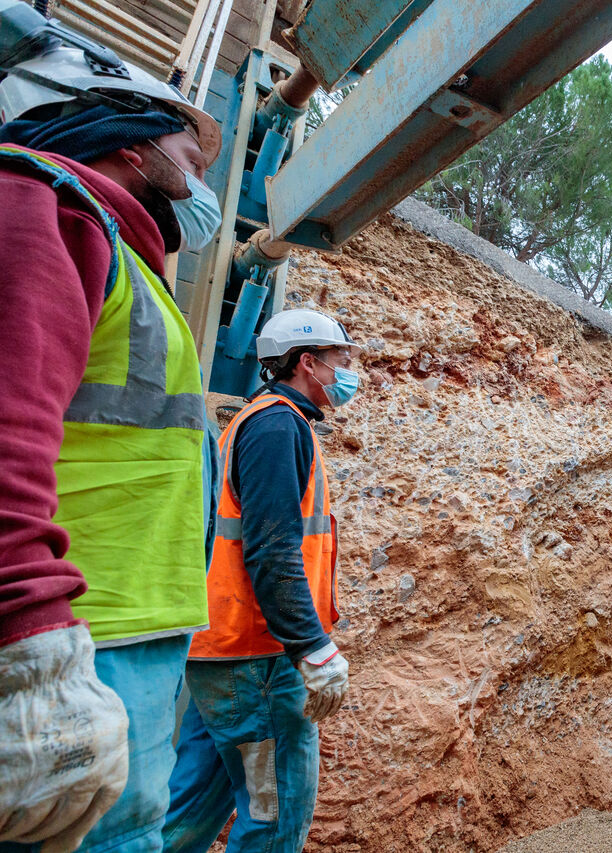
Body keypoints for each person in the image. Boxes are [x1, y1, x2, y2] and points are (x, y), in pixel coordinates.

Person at [0, 38, 223, 853]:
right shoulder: (44, 204)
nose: (199, 182)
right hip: (71, 647)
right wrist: (32, 649)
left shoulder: (119, 252)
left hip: (121, 641)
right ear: (130, 141)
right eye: (188, 156)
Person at [163, 309, 359, 853]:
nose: (348, 373)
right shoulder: (277, 427)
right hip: (256, 661)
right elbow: (272, 551)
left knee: (186, 817)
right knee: (274, 818)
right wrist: (312, 647)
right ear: (308, 363)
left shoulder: (257, 421)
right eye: (341, 360)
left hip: (221, 655)